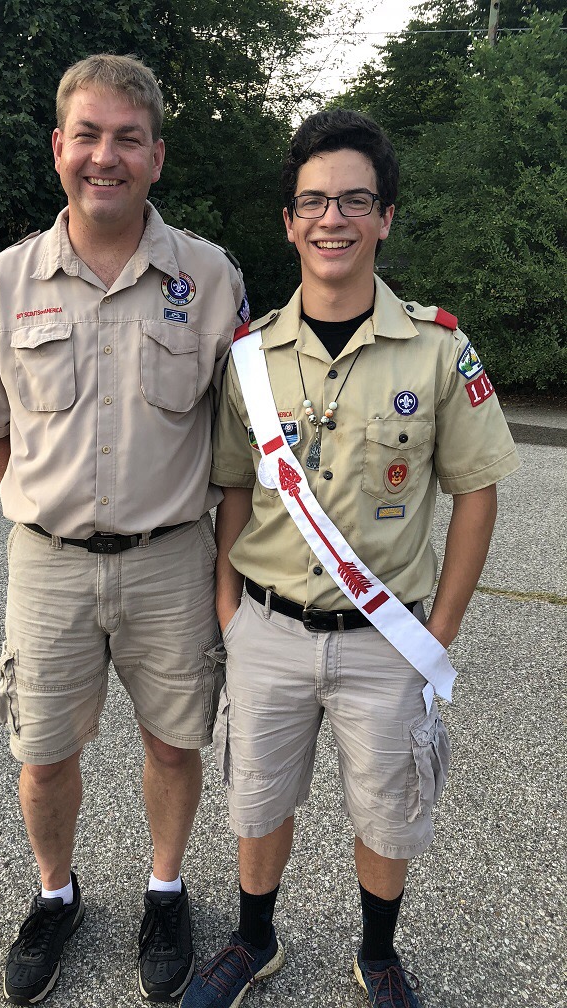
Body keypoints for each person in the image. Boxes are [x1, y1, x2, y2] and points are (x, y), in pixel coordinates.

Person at [181, 109, 520, 1008]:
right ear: (290, 221)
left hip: (387, 639)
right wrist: (227, 609)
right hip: (267, 629)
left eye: (355, 201)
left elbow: (478, 489)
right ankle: (255, 941)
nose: (334, 220)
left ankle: (378, 954)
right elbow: (232, 492)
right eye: (314, 202)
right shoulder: (247, 359)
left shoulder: (440, 348)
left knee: (389, 808)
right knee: (258, 802)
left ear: (386, 218)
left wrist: (438, 630)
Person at [0, 54, 247, 1006]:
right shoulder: (2, 286)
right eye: (88, 135)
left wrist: (221, 570)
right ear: (58, 149)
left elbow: (242, 441)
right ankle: (56, 895)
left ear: (157, 156)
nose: (106, 156)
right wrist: (52, 516)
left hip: (173, 561)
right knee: (43, 755)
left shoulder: (210, 279)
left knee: (175, 743)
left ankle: (165, 891)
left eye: (128, 138)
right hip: (46, 568)